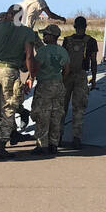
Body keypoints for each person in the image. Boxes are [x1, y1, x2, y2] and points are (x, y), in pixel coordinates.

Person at [0, 5, 36, 159]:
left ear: (9, 14)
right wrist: (31, 76)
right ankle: (0, 147)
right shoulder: (26, 32)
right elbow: (29, 56)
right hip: (9, 71)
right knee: (8, 109)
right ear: (21, 16)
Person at [31, 24, 69, 155]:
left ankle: (42, 145)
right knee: (56, 116)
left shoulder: (43, 51)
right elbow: (67, 69)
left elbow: (36, 67)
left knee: (43, 115)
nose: (43, 37)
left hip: (45, 85)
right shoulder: (62, 51)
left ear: (52, 36)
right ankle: (54, 144)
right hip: (58, 84)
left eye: (45, 34)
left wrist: (31, 77)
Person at [61, 16, 98, 147]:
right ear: (86, 26)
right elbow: (93, 61)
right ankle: (76, 137)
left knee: (62, 107)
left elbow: (63, 60)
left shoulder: (67, 40)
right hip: (82, 75)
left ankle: (57, 136)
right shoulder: (91, 41)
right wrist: (94, 78)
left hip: (66, 76)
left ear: (74, 27)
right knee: (79, 107)